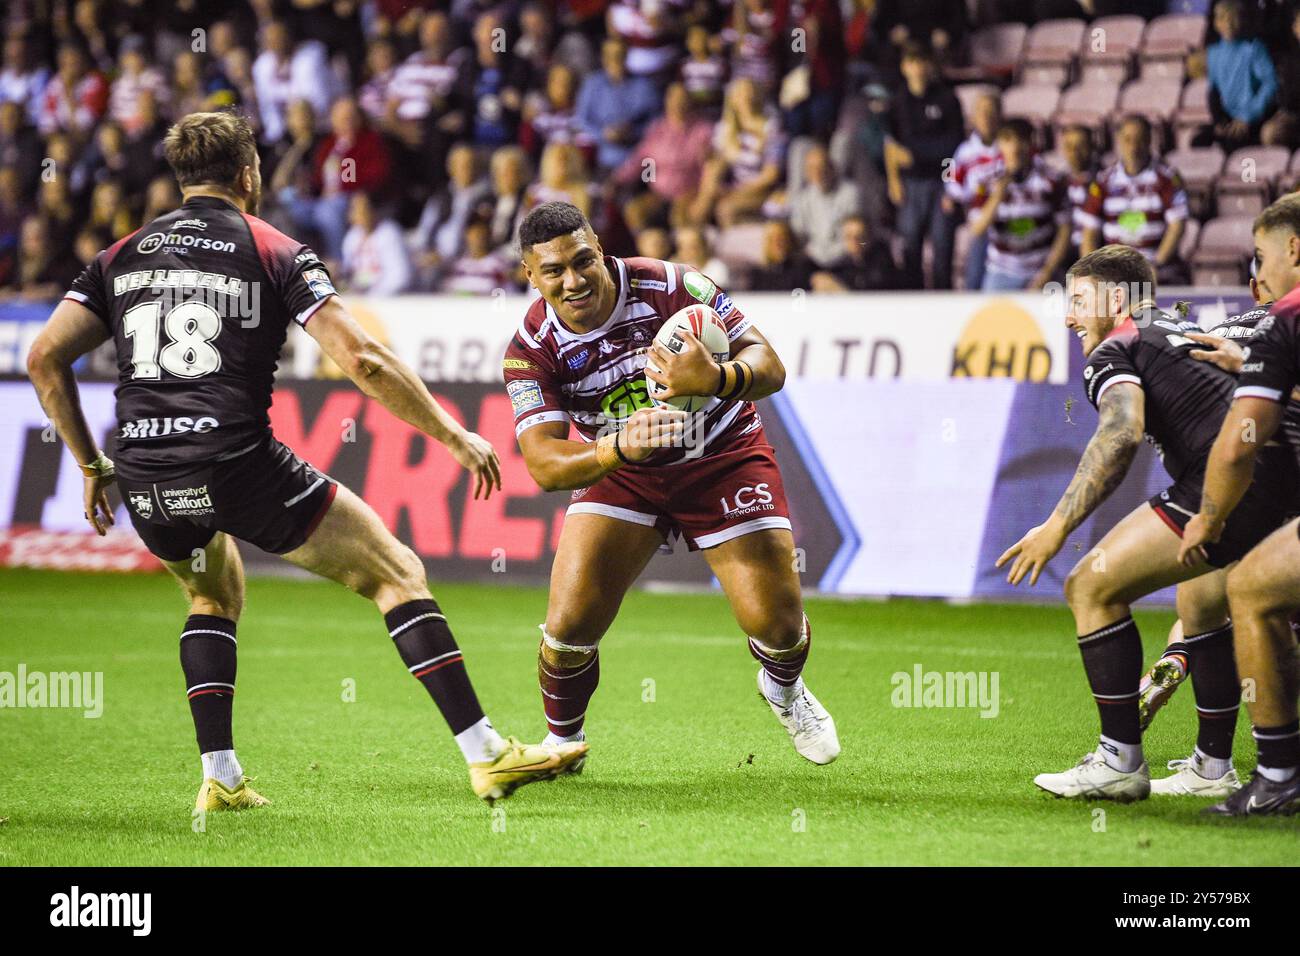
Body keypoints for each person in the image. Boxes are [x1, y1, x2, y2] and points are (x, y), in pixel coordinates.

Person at [23, 111, 585, 810]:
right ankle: (487, 753)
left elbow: (44, 357)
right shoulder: (274, 249)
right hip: (235, 463)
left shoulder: (120, 255)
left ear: (184, 178)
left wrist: (90, 464)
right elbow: (364, 358)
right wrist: (452, 435)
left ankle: (221, 778)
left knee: (210, 595)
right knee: (396, 573)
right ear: (249, 174)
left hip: (147, 478)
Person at [503, 200, 839, 769]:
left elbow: (770, 364)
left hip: (721, 453)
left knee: (777, 625)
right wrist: (617, 448)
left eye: (584, 261)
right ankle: (564, 744)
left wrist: (721, 376)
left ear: (602, 254)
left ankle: (782, 688)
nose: (574, 279)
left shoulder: (674, 285)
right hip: (625, 471)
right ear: (529, 277)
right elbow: (545, 466)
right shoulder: (530, 351)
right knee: (567, 626)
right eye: (553, 271)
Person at [997, 244, 1297, 802]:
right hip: (1280, 479)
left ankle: (1118, 762)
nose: (1068, 316)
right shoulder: (1175, 327)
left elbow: (1121, 433)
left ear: (1116, 299)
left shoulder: (1116, 346)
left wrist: (1056, 528)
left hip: (1228, 481)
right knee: (1200, 602)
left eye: (1078, 300)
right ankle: (1213, 765)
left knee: (1090, 585)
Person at [1178, 194, 1300, 815]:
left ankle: (1278, 774)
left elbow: (1236, 446)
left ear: (1294, 250)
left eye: (1261, 257)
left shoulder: (1287, 319)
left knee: (1249, 589)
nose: (1258, 275)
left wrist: (1210, 517)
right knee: (1213, 596)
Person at [885, 43, 963, 289]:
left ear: (929, 65)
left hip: (941, 181)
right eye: (912, 63)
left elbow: (953, 146)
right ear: (904, 67)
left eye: (922, 62)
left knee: (942, 246)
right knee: (910, 245)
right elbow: (892, 145)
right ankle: (913, 301)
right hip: (911, 183)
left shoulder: (947, 98)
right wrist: (893, 180)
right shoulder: (898, 101)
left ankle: (942, 302)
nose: (918, 69)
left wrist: (917, 155)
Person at [1079, 116, 1190, 286]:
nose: (1133, 147)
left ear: (1149, 141)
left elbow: (1177, 226)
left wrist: (1156, 264)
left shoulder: (1166, 178)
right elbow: (1089, 231)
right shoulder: (1103, 180)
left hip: (1157, 271)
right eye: (1128, 140)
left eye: (1139, 140)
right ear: (1119, 142)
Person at [967, 119, 1071, 292]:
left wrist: (1046, 272)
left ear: (1030, 143)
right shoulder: (985, 180)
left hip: (1042, 272)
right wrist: (998, 194)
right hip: (1001, 272)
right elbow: (977, 229)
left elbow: (1065, 229)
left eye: (1020, 140)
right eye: (1007, 140)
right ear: (999, 144)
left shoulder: (1051, 180)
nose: (1014, 148)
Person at [1197, 0, 1278, 152]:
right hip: (1228, 118)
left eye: (1234, 18)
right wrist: (1219, 121)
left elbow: (1270, 84)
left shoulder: (1254, 49)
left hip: (1252, 118)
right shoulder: (1213, 53)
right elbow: (1213, 91)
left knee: (1234, 144)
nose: (1229, 24)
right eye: (1224, 19)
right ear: (1216, 23)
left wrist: (1248, 116)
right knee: (1198, 141)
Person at [948, 91, 1001, 291]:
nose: (986, 117)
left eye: (991, 111)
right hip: (980, 222)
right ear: (973, 117)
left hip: (1011, 222)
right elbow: (951, 183)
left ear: (1000, 115)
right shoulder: (964, 151)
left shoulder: (1009, 148)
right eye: (981, 112)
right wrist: (957, 197)